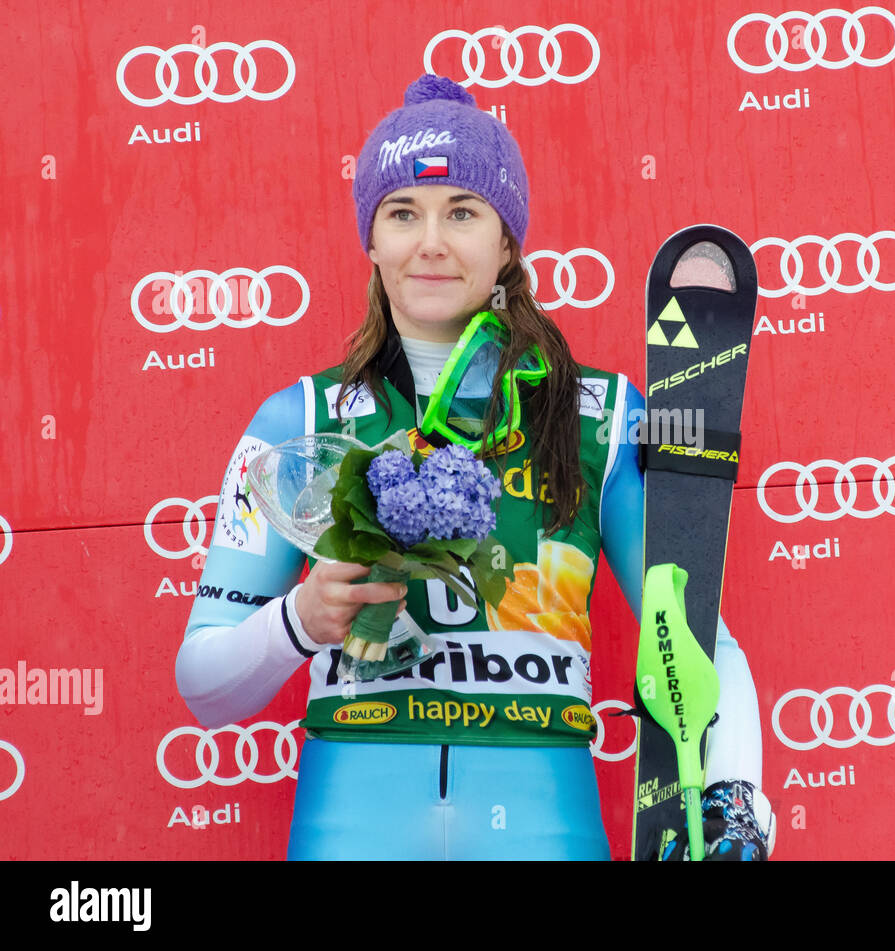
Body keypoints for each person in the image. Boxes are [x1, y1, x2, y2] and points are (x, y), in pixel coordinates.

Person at [175, 74, 771, 860]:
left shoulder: (597, 414)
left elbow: (698, 639)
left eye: (462, 212)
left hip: (541, 829)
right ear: (372, 239)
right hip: (351, 828)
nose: (430, 242)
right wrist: (299, 620)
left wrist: (733, 796)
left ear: (506, 241)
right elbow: (204, 683)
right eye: (402, 214)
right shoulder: (299, 422)